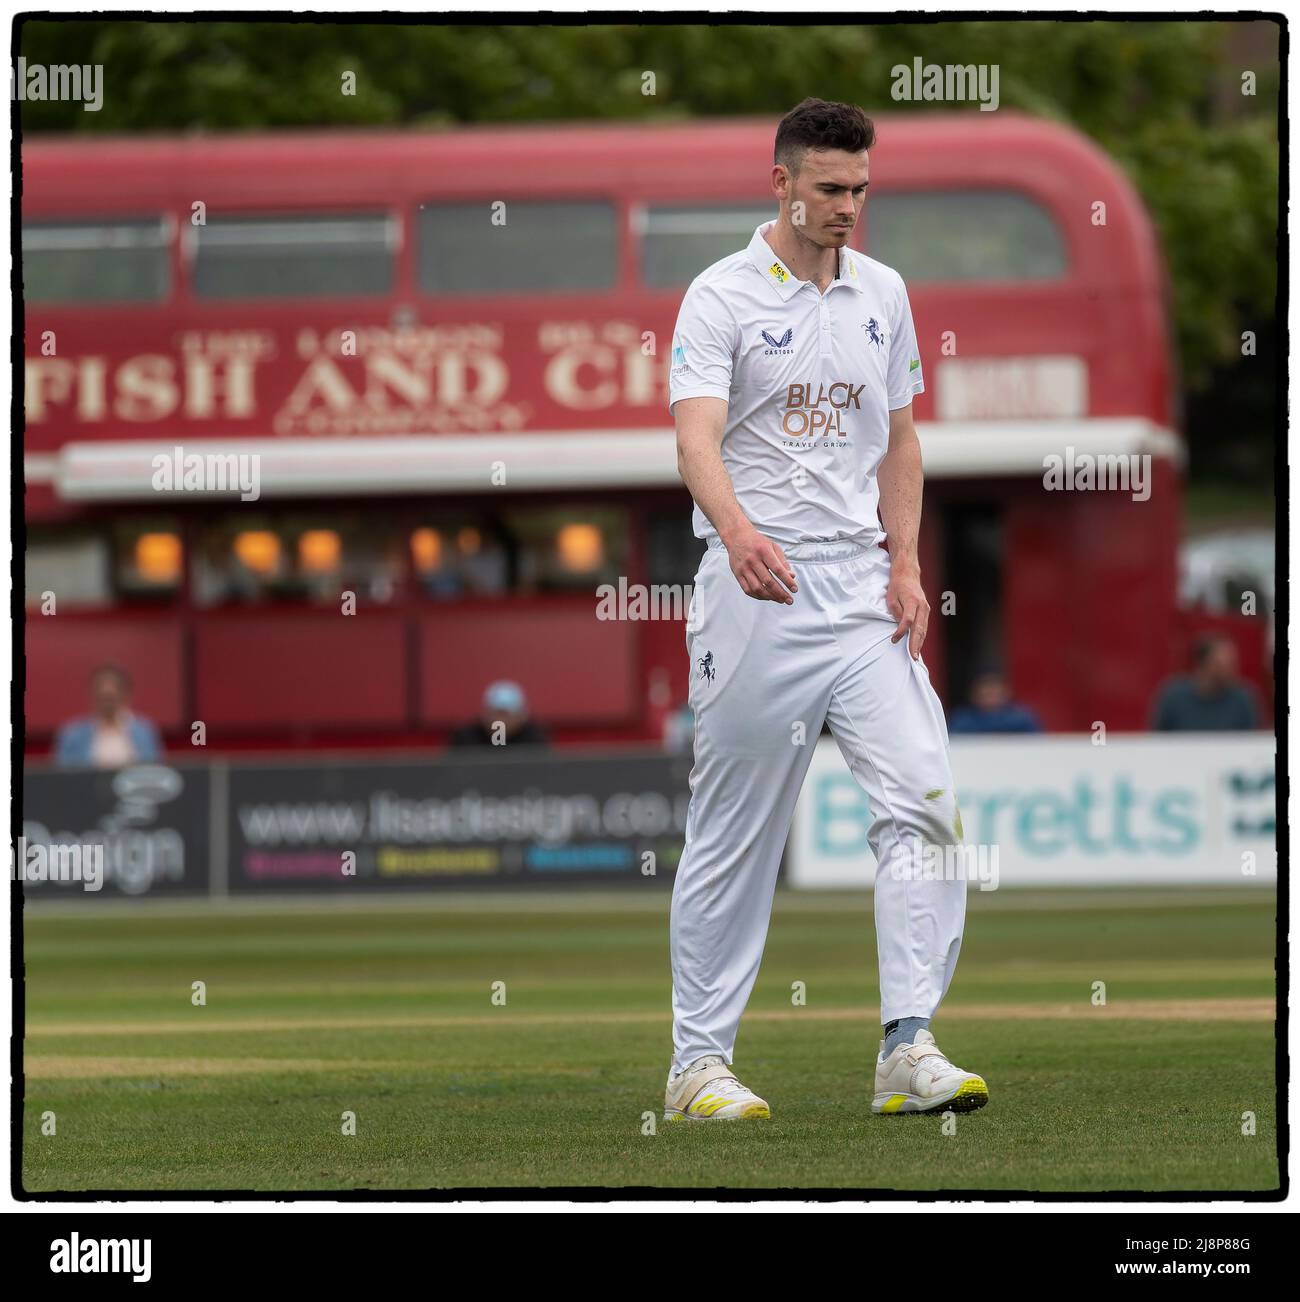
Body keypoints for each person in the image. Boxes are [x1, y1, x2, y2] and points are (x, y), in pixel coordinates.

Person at [664, 98, 986, 1122]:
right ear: (782, 183)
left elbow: (899, 442)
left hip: (859, 592)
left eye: (859, 189)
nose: (847, 207)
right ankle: (697, 1067)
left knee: (927, 807)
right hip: (755, 587)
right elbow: (696, 440)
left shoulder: (883, 294)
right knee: (735, 831)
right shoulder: (717, 296)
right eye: (830, 189)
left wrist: (906, 563)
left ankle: (907, 1044)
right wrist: (739, 530)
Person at [53, 663, 163, 769]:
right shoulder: (73, 734)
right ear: (93, 695)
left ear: (125, 694)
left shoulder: (145, 731)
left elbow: (154, 770)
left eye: (111, 697)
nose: (107, 703)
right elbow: (62, 776)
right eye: (103, 697)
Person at [1151, 634, 1259, 731]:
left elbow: (1252, 743)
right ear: (1202, 663)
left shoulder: (1242, 699)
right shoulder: (1173, 697)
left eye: (1232, 662)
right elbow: (1158, 740)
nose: (1230, 669)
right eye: (1221, 663)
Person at [449, 680, 549, 748]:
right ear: (484, 714)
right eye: (495, 713)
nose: (500, 720)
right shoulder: (466, 739)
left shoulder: (535, 740)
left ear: (521, 716)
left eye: (506, 714)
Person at [949, 668, 1043, 734]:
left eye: (994, 690)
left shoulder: (1022, 718)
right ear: (974, 694)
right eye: (986, 691)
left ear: (1006, 692)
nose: (990, 695)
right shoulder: (962, 720)